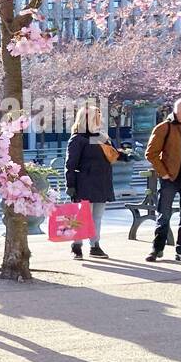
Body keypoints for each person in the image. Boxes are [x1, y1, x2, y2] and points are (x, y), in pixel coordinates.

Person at [145, 98, 181, 263]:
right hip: (170, 179)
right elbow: (151, 153)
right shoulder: (164, 128)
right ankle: (156, 249)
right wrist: (164, 173)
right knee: (163, 215)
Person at [64, 103, 116, 259]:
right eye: (97, 117)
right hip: (85, 182)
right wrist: (70, 185)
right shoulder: (78, 139)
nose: (100, 120)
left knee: (97, 216)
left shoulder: (102, 137)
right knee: (82, 216)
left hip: (102, 181)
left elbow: (111, 156)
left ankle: (95, 245)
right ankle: (77, 245)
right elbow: (70, 164)